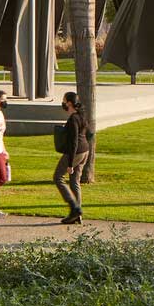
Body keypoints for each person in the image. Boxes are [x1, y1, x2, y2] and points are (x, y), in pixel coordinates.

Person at [53, 91, 91, 225]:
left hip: (75, 152)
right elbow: (89, 133)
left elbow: (74, 141)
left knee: (58, 177)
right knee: (75, 181)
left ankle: (74, 208)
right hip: (85, 151)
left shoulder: (73, 118)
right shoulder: (82, 115)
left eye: (64, 101)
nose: (63, 103)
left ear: (69, 103)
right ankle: (77, 214)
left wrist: (70, 164)